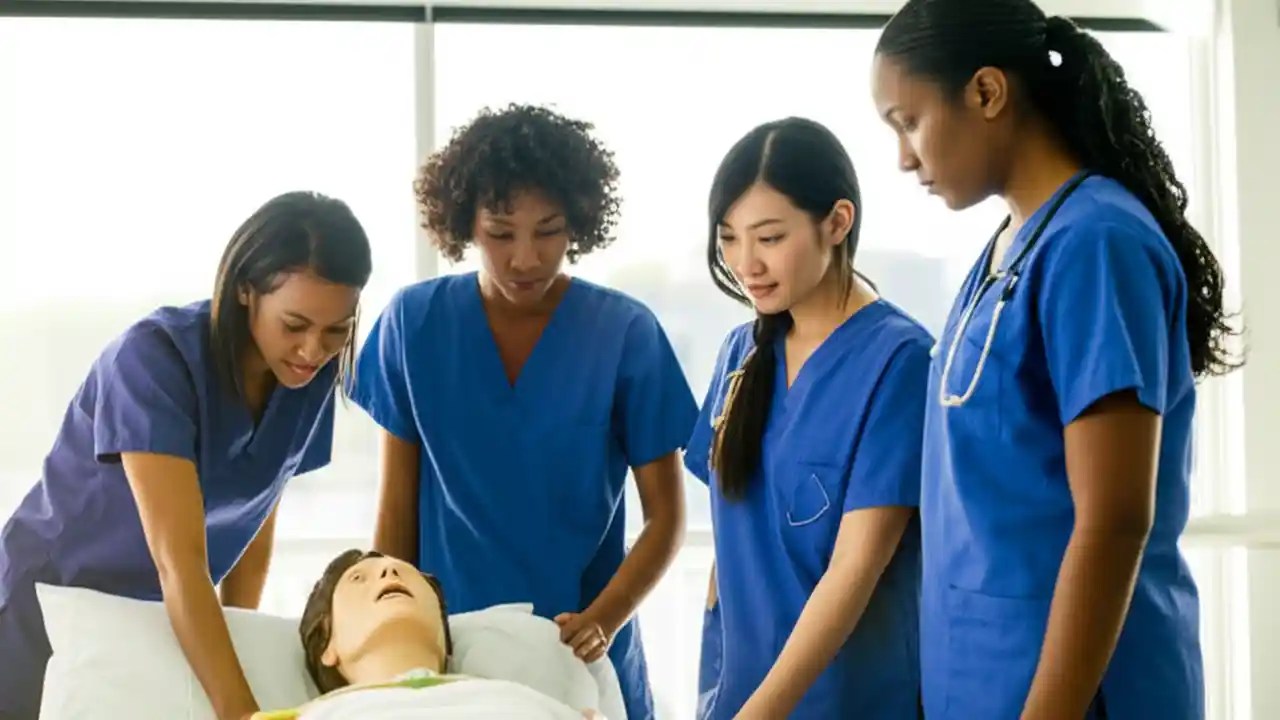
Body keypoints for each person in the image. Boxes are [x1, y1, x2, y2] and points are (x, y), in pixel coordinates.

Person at [870, 2, 1243, 718]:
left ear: (987, 92)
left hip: (1079, 695)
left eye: (908, 122)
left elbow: (1115, 520)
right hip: (984, 682)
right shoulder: (1008, 249)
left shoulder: (1096, 243)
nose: (904, 158)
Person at [350, 103, 698, 720]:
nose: (526, 257)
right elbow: (396, 514)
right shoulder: (414, 324)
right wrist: (384, 642)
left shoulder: (625, 333)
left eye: (549, 231)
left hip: (583, 650)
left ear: (579, 223)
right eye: (501, 232)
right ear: (464, 222)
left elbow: (667, 518)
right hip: (448, 652)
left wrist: (604, 620)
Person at [0, 191, 373, 720]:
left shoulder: (307, 376)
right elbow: (179, 562)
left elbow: (260, 508)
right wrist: (243, 712)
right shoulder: (153, 361)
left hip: (156, 623)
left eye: (337, 329)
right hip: (42, 610)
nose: (314, 349)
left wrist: (244, 642)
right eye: (294, 325)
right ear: (245, 289)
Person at [684, 117, 932, 719]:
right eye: (729, 239)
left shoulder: (899, 361)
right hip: (738, 686)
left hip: (846, 699)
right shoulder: (741, 354)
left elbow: (854, 569)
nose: (746, 263)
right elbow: (734, 537)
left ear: (837, 222)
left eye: (769, 238)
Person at [253, 549, 604, 720]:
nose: (389, 571)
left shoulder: (528, 702)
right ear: (326, 644)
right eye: (358, 579)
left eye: (405, 572)